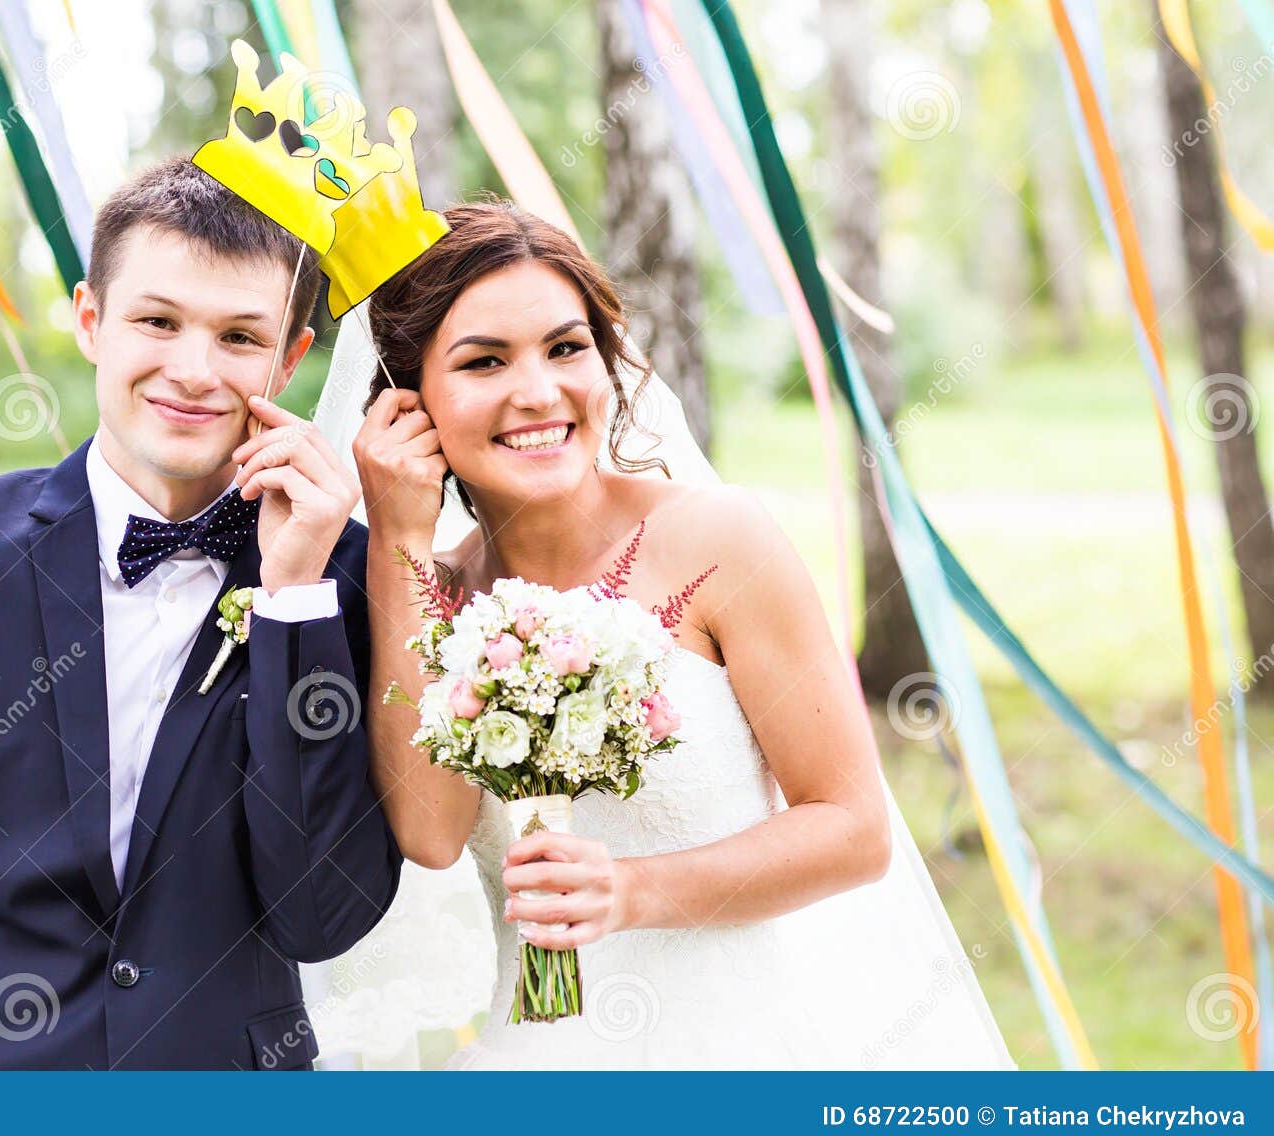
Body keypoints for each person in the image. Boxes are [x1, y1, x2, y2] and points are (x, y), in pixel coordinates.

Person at [345, 199, 1012, 1068]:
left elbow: (852, 827)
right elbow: (431, 835)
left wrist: (631, 890)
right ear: (408, 402)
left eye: (566, 346)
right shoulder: (422, 594)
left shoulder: (720, 542)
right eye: (483, 361)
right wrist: (397, 536)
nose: (539, 391)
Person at [0, 157, 400, 1070]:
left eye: (237, 336)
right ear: (91, 319)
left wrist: (290, 595)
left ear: (290, 356)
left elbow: (322, 913)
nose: (192, 370)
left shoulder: (339, 579)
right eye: (157, 321)